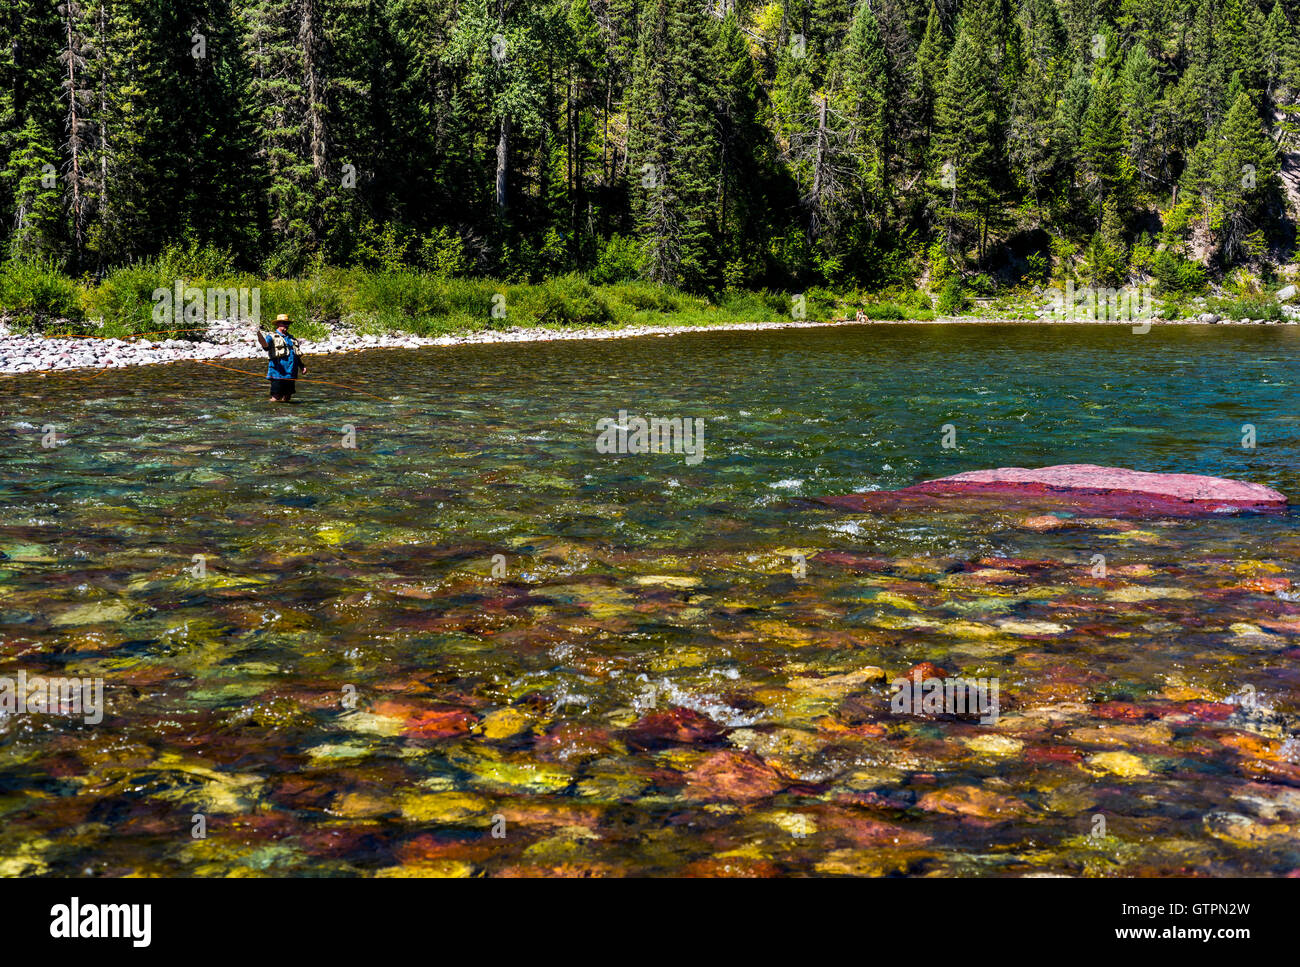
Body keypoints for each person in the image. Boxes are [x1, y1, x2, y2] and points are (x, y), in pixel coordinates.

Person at [255, 314, 306, 402]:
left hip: (291, 373)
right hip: (278, 373)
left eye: (288, 323)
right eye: (284, 323)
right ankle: (271, 413)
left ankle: (286, 414)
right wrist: (260, 337)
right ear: (278, 324)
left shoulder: (291, 338)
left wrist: (302, 366)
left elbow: (295, 354)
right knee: (276, 397)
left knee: (288, 397)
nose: (286, 325)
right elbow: (266, 346)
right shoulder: (271, 337)